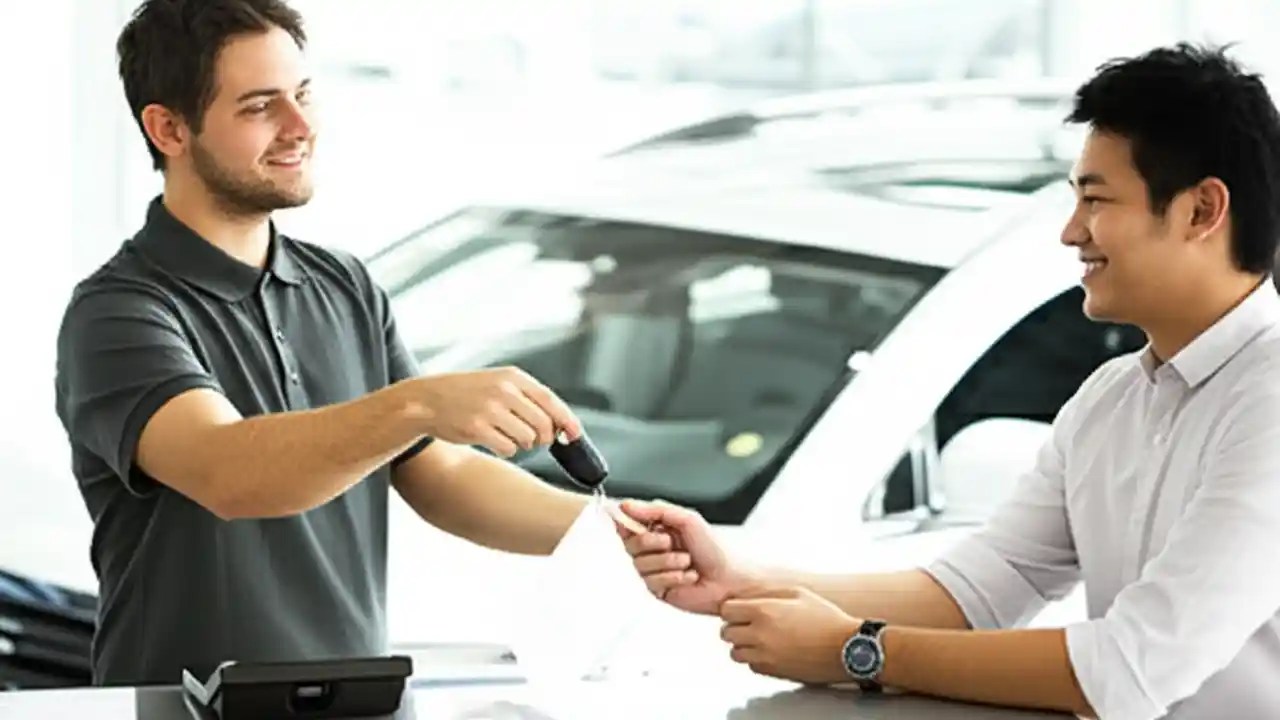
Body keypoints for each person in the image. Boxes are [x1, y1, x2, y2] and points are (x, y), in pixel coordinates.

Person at [617, 43, 1280, 720]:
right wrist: (740, 578)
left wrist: (857, 651)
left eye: (1096, 200)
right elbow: (977, 592)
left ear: (1202, 211)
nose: (1070, 232)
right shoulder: (1112, 397)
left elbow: (1130, 667)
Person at [54, 0, 603, 686]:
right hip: (188, 709)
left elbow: (443, 474)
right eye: (260, 107)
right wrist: (418, 403)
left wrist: (613, 536)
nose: (301, 127)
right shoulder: (119, 314)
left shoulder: (342, 284)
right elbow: (229, 472)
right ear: (169, 129)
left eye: (304, 94)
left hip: (355, 701)